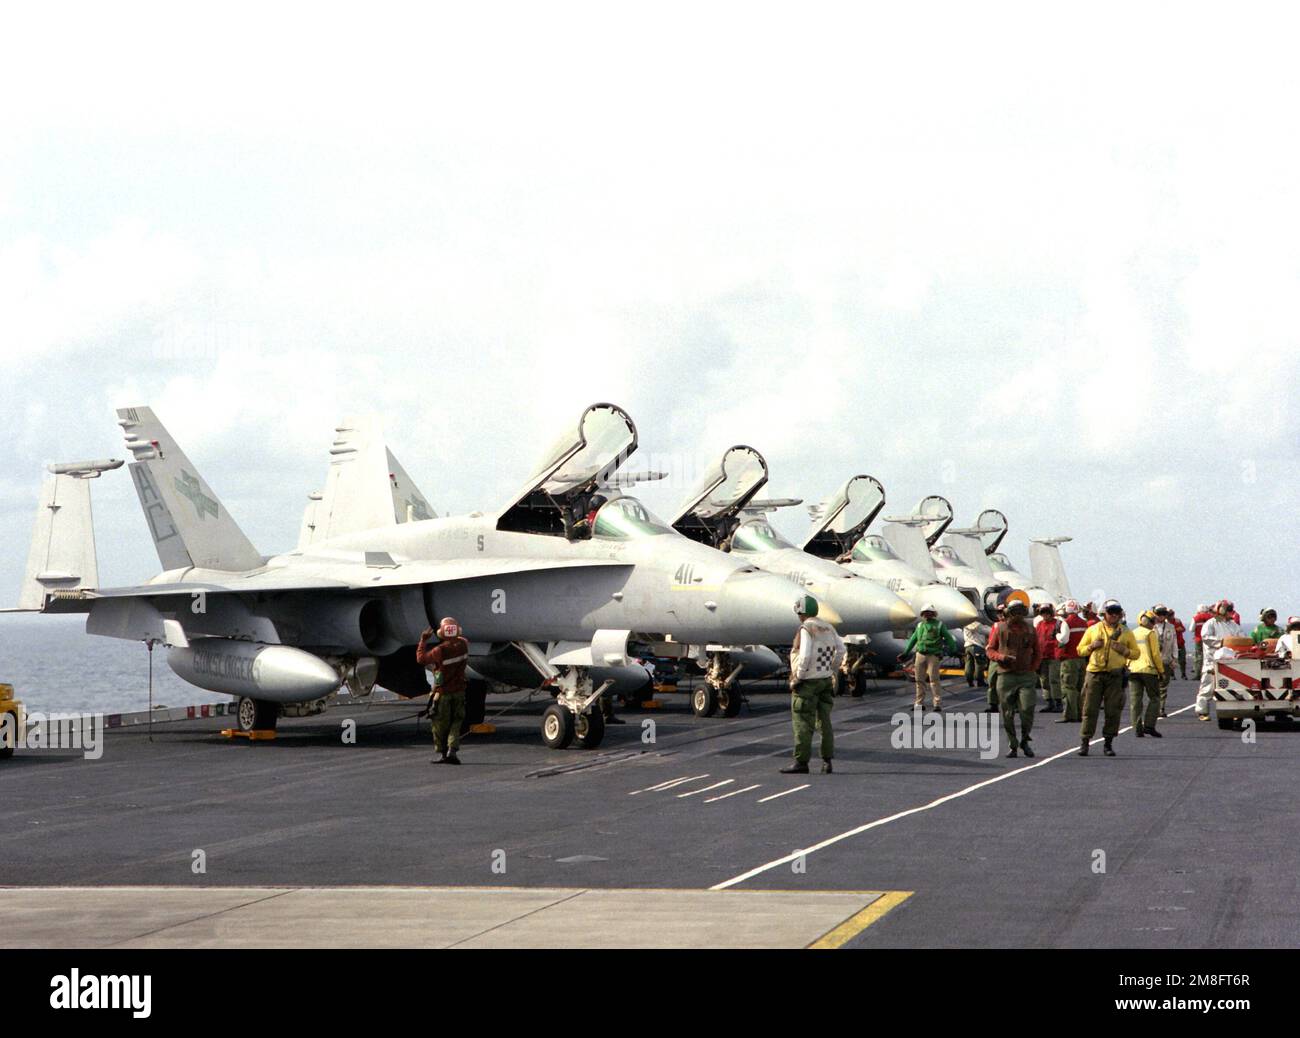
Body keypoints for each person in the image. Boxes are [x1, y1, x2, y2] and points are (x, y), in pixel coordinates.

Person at [783, 595, 845, 775]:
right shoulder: (828, 627)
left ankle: (801, 762)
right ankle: (827, 762)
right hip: (825, 680)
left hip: (807, 682)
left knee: (803, 722)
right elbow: (841, 650)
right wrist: (832, 669)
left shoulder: (806, 628)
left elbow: (804, 654)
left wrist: (799, 676)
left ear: (801, 612)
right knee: (824, 722)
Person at [1075, 599, 1139, 757]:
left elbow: (1136, 653)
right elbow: (1080, 650)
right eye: (1111, 613)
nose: (1114, 616)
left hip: (1115, 675)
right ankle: (1085, 742)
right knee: (1089, 709)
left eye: (1117, 613)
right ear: (1105, 614)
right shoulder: (1093, 629)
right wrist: (1091, 647)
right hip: (1095, 674)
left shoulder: (1126, 632)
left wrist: (1124, 650)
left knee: (1113, 710)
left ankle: (1108, 743)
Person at [986, 599, 1042, 758]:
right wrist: (1001, 657)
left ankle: (1025, 739)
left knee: (1027, 709)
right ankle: (1013, 744)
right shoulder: (1000, 628)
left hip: (1025, 676)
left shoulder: (1030, 630)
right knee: (1008, 713)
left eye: (1020, 612)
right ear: (1009, 613)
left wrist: (1033, 669)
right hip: (1006, 675)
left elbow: (1038, 652)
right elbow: (990, 649)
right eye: (1014, 612)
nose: (1017, 615)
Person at [417, 617, 471, 764]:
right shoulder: (463, 645)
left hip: (443, 693)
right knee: (456, 723)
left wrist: (423, 640)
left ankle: (442, 754)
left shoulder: (440, 650)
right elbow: (461, 639)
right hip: (459, 692)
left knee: (439, 726)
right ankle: (452, 751)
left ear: (441, 633)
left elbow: (421, 659)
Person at [902, 604, 959, 711]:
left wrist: (954, 650)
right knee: (919, 680)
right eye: (925, 612)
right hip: (920, 655)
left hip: (933, 655)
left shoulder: (939, 625)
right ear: (922, 614)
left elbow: (949, 638)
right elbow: (913, 640)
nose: (927, 614)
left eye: (929, 612)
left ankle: (937, 704)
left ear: (933, 614)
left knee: (934, 680)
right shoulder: (919, 626)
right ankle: (919, 704)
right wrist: (905, 653)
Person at [1197, 601, 1243, 720]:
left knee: (1232, 688)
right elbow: (1206, 638)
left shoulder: (1233, 625)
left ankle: (1233, 712)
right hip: (1212, 662)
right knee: (1207, 687)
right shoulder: (1210, 624)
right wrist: (1223, 642)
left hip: (1230, 662)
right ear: (1221, 610)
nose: (1230, 612)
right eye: (1228, 609)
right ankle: (1202, 712)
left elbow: (1241, 637)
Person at [1129, 611, 1166, 738]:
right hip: (1148, 670)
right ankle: (1149, 726)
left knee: (1135, 701)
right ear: (1147, 621)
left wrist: (1128, 665)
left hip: (1133, 670)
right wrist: (1161, 671)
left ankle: (1137, 729)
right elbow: (1155, 654)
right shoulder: (1150, 633)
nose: (1154, 624)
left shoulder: (1132, 633)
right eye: (1152, 621)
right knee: (1155, 699)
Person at [1058, 600, 1090, 724]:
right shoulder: (1084, 623)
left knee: (1068, 687)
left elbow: (1064, 640)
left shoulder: (1066, 623)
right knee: (1080, 687)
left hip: (1069, 659)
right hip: (1081, 659)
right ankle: (1080, 714)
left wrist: (1056, 636)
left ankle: (1070, 714)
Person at [1034, 603, 1068, 713]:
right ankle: (1049, 702)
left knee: (1054, 679)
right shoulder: (1039, 624)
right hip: (1042, 656)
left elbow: (1063, 638)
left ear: (1051, 613)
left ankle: (1058, 703)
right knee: (1044, 681)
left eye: (1047, 612)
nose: (1045, 615)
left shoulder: (1058, 623)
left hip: (1053, 656)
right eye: (1043, 612)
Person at [1152, 605, 1177, 718]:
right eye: (1159, 613)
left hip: (1166, 660)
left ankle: (1161, 708)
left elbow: (1174, 643)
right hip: (1152, 661)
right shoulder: (1150, 627)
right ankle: (1153, 708)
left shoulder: (1170, 627)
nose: (1161, 616)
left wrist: (1174, 659)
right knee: (1153, 686)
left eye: (1163, 614)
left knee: (1163, 686)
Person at [983, 604, 1006, 713]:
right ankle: (993, 704)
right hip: (995, 658)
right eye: (999, 612)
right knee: (992, 681)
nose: (1000, 615)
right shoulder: (996, 626)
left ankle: (1013, 705)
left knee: (1009, 683)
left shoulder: (1014, 626)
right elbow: (991, 641)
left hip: (1008, 658)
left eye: (1002, 612)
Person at [963, 619, 990, 689]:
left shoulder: (965, 624)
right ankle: (980, 681)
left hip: (967, 646)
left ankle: (969, 681)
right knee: (979, 665)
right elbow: (988, 631)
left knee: (968, 664)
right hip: (977, 646)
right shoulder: (977, 625)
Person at [1191, 603, 1213, 678]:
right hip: (1209, 639)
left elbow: (1191, 629)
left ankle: (1198, 674)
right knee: (1209, 655)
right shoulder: (1211, 617)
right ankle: (1208, 673)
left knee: (1199, 656)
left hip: (1199, 639)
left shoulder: (1196, 617)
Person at [1170, 610, 1188, 682]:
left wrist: (1180, 629)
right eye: (1170, 615)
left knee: (1182, 660)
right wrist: (1175, 629)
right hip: (1171, 644)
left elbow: (1183, 629)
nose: (1171, 616)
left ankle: (1183, 674)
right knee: (1171, 660)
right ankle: (1172, 675)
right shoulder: (1166, 622)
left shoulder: (1177, 621)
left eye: (1172, 614)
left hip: (1180, 643)